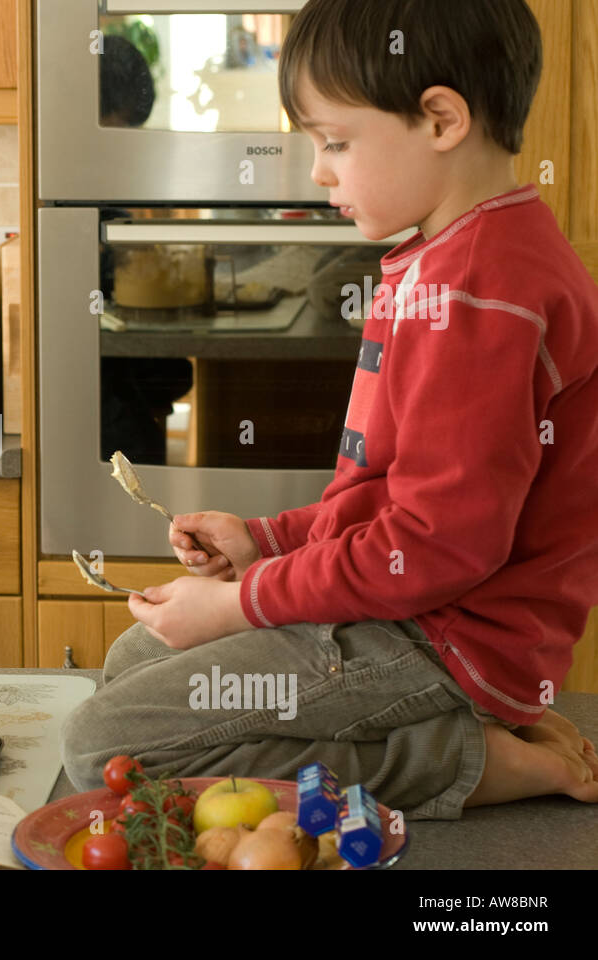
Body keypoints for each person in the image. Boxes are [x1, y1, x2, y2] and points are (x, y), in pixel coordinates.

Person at [62, 0, 598, 820]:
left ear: (441, 118)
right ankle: (480, 723)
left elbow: (432, 547)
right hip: (417, 613)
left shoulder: (477, 296)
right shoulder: (446, 259)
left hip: (438, 637)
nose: (319, 171)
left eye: (335, 141)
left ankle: (465, 755)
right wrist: (266, 542)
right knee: (136, 661)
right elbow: (398, 495)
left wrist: (246, 599)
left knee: (102, 746)